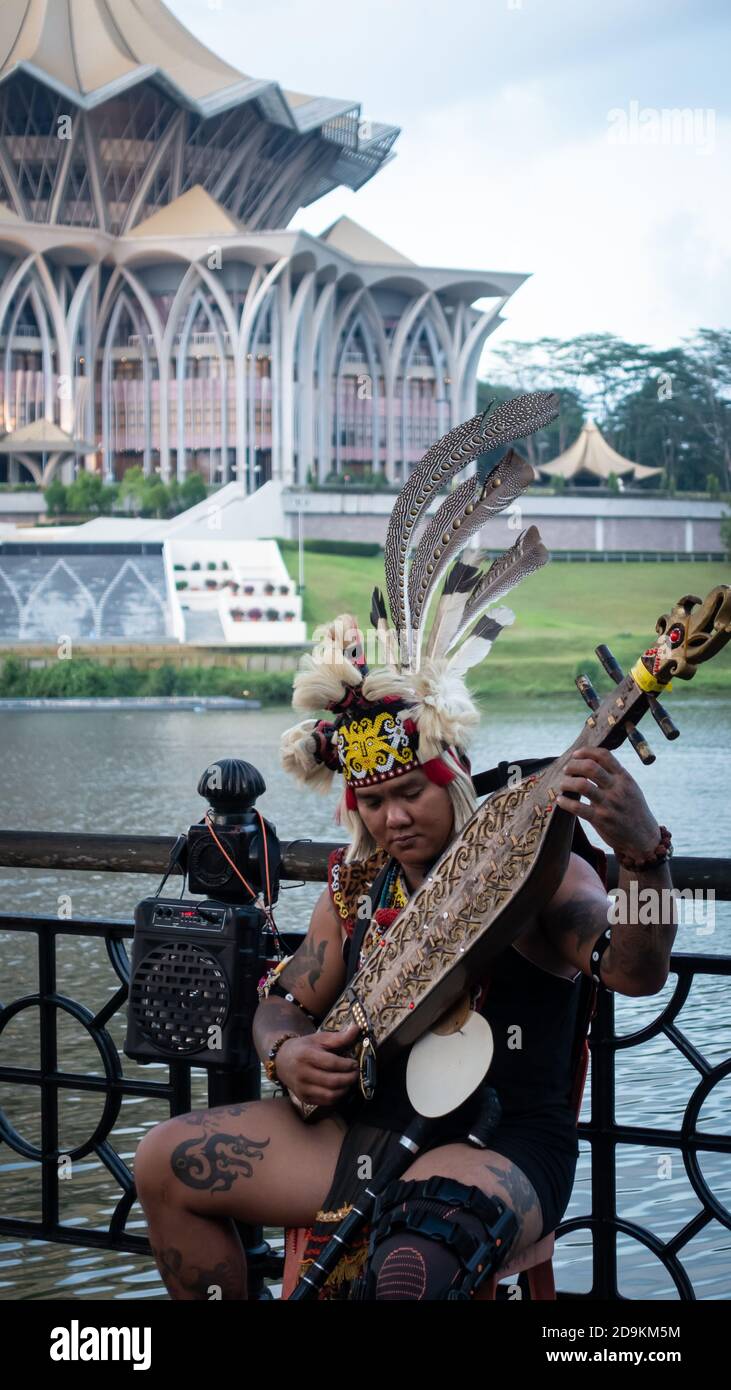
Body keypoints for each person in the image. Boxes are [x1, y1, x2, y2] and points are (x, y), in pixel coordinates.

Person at [133, 396, 676, 1300]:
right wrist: (283, 1055)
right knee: (163, 1162)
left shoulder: (535, 868)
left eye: (406, 796)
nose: (391, 820)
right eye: (372, 802)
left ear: (449, 776)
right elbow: (281, 1002)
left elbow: (634, 973)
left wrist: (644, 858)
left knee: (412, 1262)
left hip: (495, 1148)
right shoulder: (358, 888)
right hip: (362, 1136)